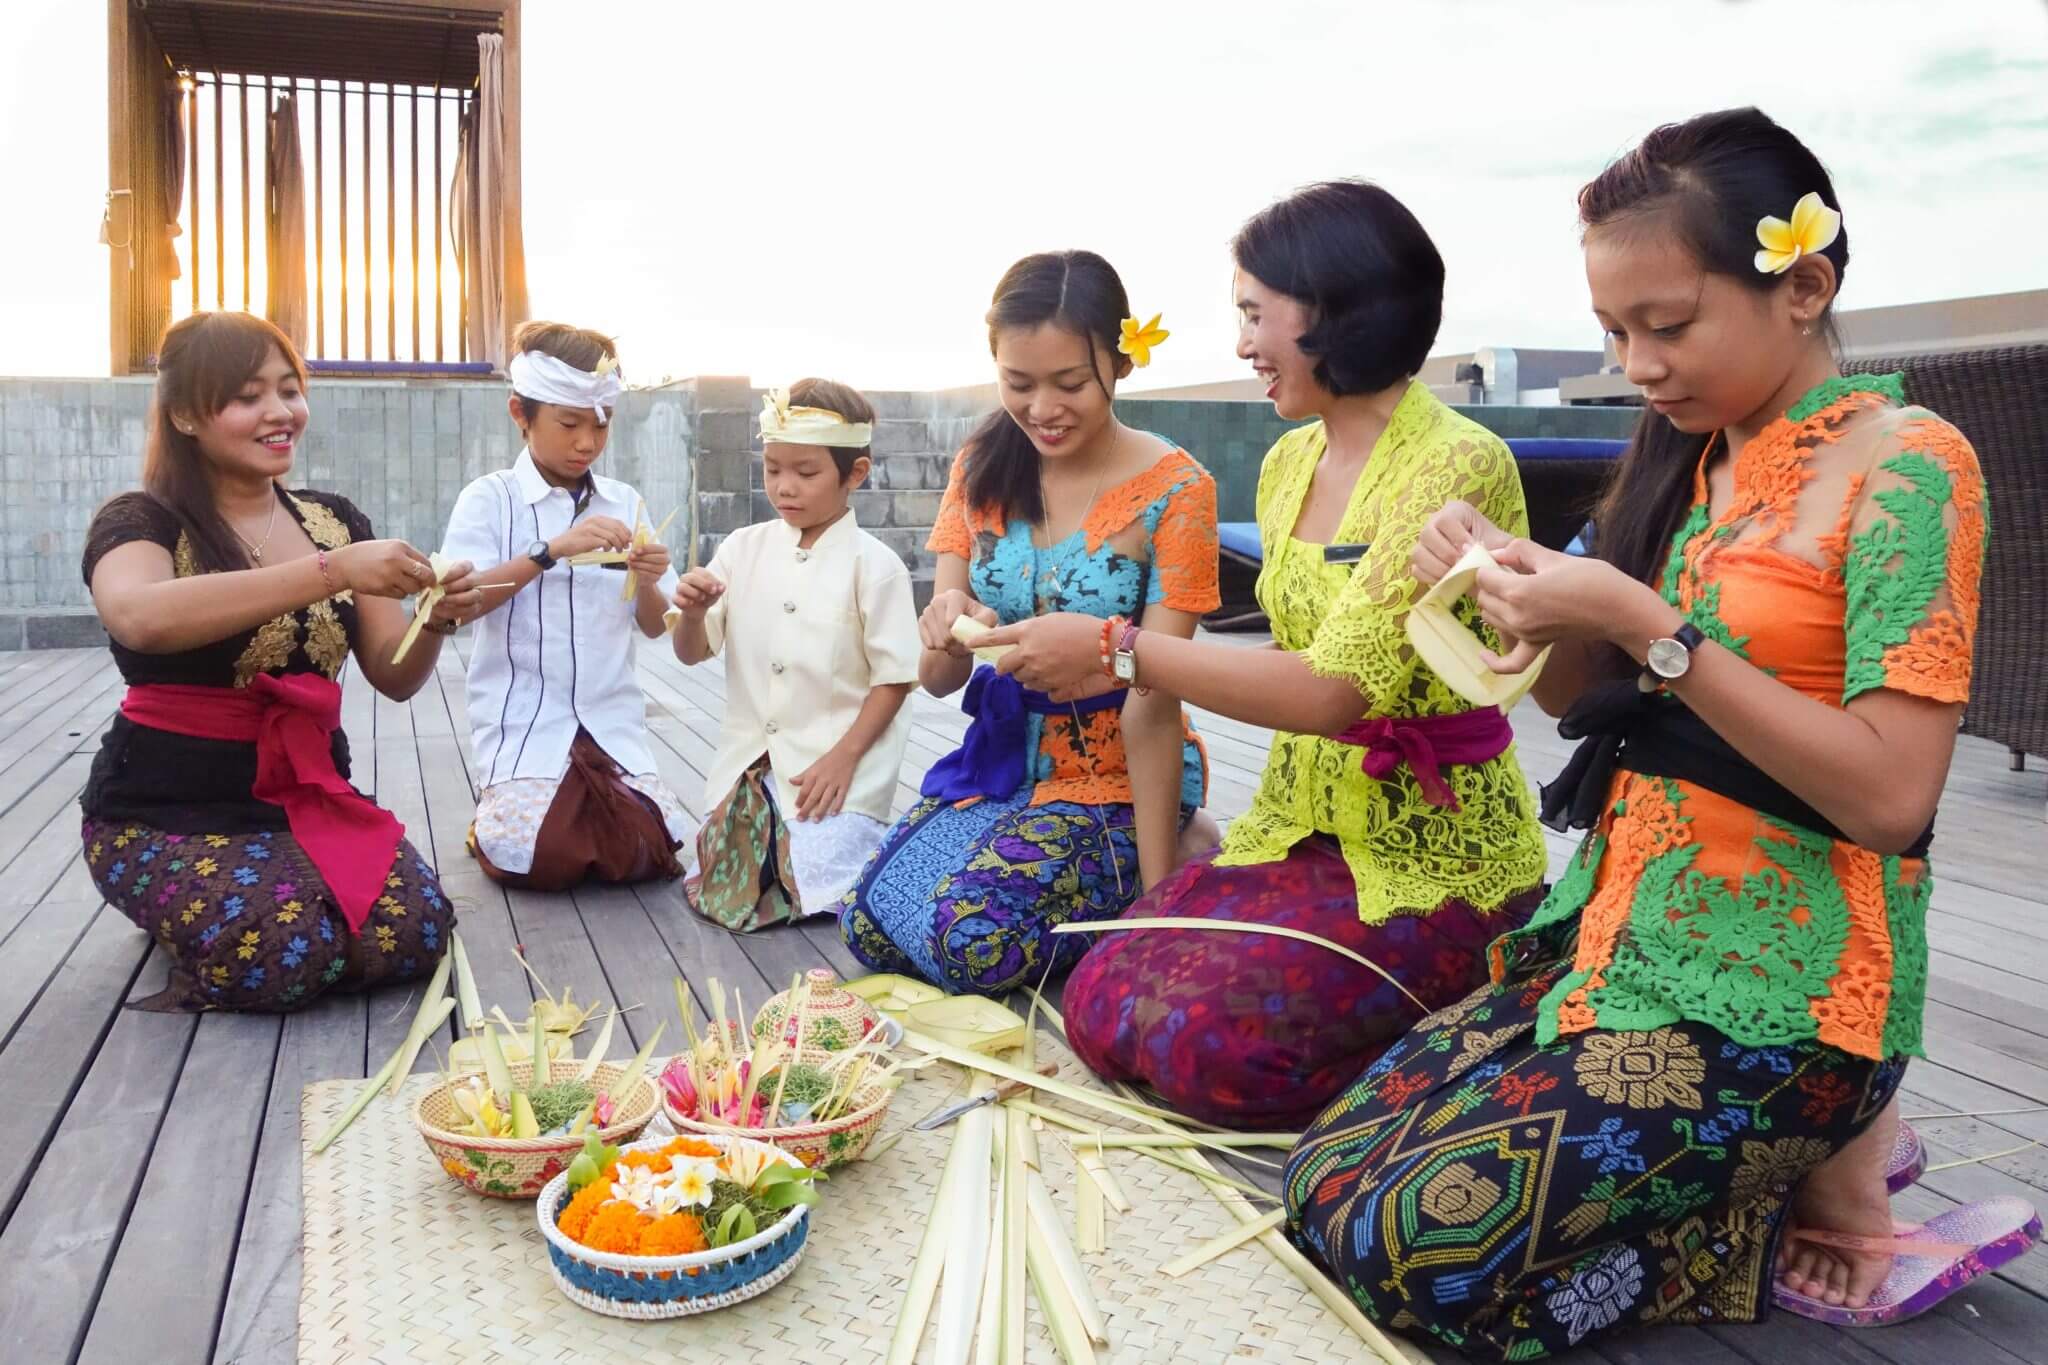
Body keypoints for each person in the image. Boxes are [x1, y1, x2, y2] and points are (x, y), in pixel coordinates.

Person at [1284, 108, 2034, 1357]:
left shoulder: (1908, 465)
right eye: (1612, 332)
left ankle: (1780, 1195)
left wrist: (1654, 631)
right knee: (1326, 1171)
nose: (1636, 363)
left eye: (1666, 324)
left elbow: (1892, 800)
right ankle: (1804, 1181)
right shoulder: (1686, 462)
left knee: (1413, 1252)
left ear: (1803, 286)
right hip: (1616, 946)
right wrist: (1503, 588)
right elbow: (1569, 702)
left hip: (1784, 1006)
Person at [981, 183, 1547, 1128]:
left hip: (1431, 851)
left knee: (1211, 1049)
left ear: (1335, 307)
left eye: (1255, 312)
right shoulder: (1288, 463)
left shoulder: (1460, 459)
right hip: (1298, 828)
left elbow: (1329, 691)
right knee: (1101, 992)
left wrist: (1117, 648)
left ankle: (1477, 1000)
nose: (1242, 343)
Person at [841, 250, 1220, 995]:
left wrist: (1152, 897)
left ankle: (1180, 845)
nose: (1043, 407)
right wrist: (947, 627)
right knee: (868, 921)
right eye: (1019, 383)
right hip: (1005, 761)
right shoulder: (982, 466)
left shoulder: (1177, 489)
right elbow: (942, 678)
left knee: (970, 943)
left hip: (1115, 775)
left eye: (1070, 383)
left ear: (1121, 362)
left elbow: (1157, 690)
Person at [81, 311, 461, 1011]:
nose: (281, 412)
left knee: (416, 929)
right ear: (189, 414)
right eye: (249, 396)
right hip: (162, 811)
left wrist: (435, 619)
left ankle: (254, 896)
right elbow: (139, 615)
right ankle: (184, 907)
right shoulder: (141, 520)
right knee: (285, 952)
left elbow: (394, 674)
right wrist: (332, 572)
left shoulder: (333, 519)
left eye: (290, 389)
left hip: (307, 798)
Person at [439, 320, 688, 891]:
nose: (587, 443)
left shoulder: (624, 502)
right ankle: (492, 816)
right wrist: (547, 551)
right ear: (519, 415)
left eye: (601, 426)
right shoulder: (490, 499)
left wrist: (648, 580)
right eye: (569, 424)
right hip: (526, 727)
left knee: (652, 843)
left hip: (610, 726)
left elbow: (655, 626)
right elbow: (457, 606)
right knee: (542, 855)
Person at [671, 378, 920, 929]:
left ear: (854, 473)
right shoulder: (741, 549)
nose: (785, 487)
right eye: (773, 468)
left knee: (817, 875)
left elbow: (896, 678)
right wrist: (691, 612)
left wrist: (844, 757)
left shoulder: (874, 566)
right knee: (732, 874)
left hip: (836, 771)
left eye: (806, 473)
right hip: (747, 769)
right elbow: (690, 653)